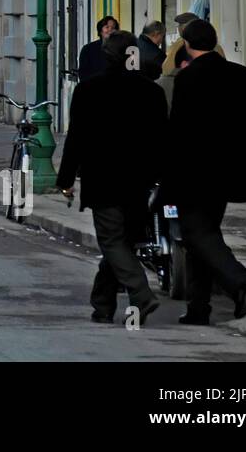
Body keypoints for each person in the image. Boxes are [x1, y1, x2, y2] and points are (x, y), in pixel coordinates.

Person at [56, 30, 165, 324]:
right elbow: (161, 139)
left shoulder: (89, 90)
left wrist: (65, 179)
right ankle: (102, 304)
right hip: (138, 181)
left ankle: (141, 294)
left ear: (106, 57)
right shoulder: (152, 92)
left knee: (113, 242)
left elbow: (76, 138)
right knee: (121, 242)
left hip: (102, 179)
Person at [164, 19, 246, 324]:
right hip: (229, 172)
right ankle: (198, 307)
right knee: (203, 236)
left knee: (197, 234)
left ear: (188, 45)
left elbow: (179, 131)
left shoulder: (188, 78)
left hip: (194, 172)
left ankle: (240, 282)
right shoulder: (243, 76)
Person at [77, 16, 118, 82]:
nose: (110, 30)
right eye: (107, 27)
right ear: (100, 31)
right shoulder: (88, 49)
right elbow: (83, 74)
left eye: (113, 28)